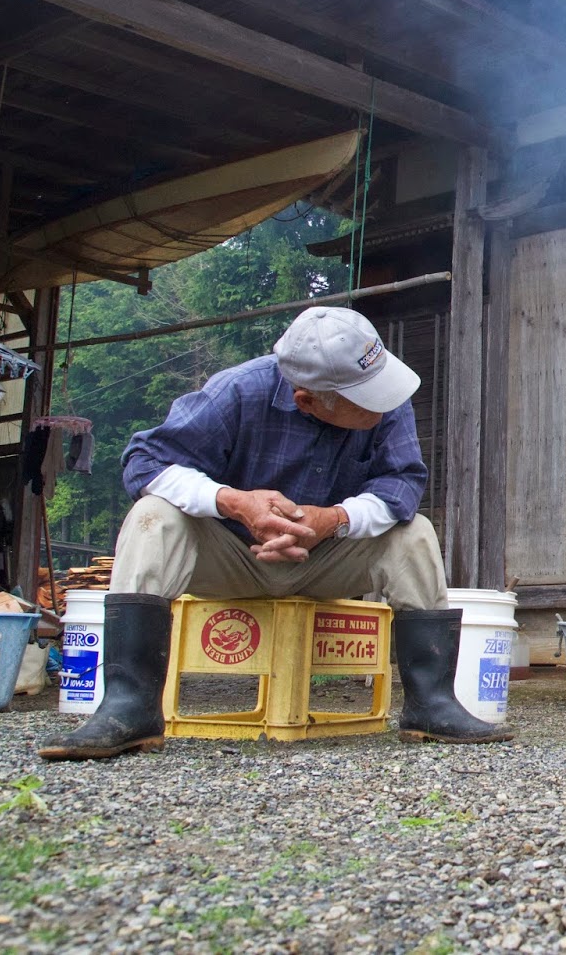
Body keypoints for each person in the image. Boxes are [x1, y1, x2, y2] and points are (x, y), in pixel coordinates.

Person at [38, 306, 512, 761]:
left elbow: (403, 481)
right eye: (365, 397)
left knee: (416, 532)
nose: (385, 401)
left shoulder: (381, 395)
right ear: (308, 398)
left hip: (328, 558)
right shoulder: (238, 391)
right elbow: (144, 462)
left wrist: (334, 518)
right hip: (232, 557)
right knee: (153, 516)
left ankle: (430, 705)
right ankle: (130, 708)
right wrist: (234, 502)